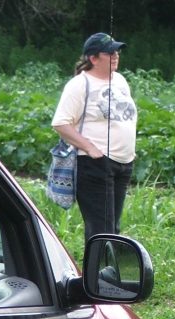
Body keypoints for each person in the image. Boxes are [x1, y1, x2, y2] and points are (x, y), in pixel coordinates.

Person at [52, 32, 138, 242]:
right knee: (102, 229)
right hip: (95, 164)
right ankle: (95, 273)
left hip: (123, 163)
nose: (116, 55)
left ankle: (106, 272)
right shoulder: (80, 84)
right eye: (109, 52)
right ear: (93, 58)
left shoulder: (120, 80)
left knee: (113, 228)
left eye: (117, 51)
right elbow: (61, 123)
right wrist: (90, 148)